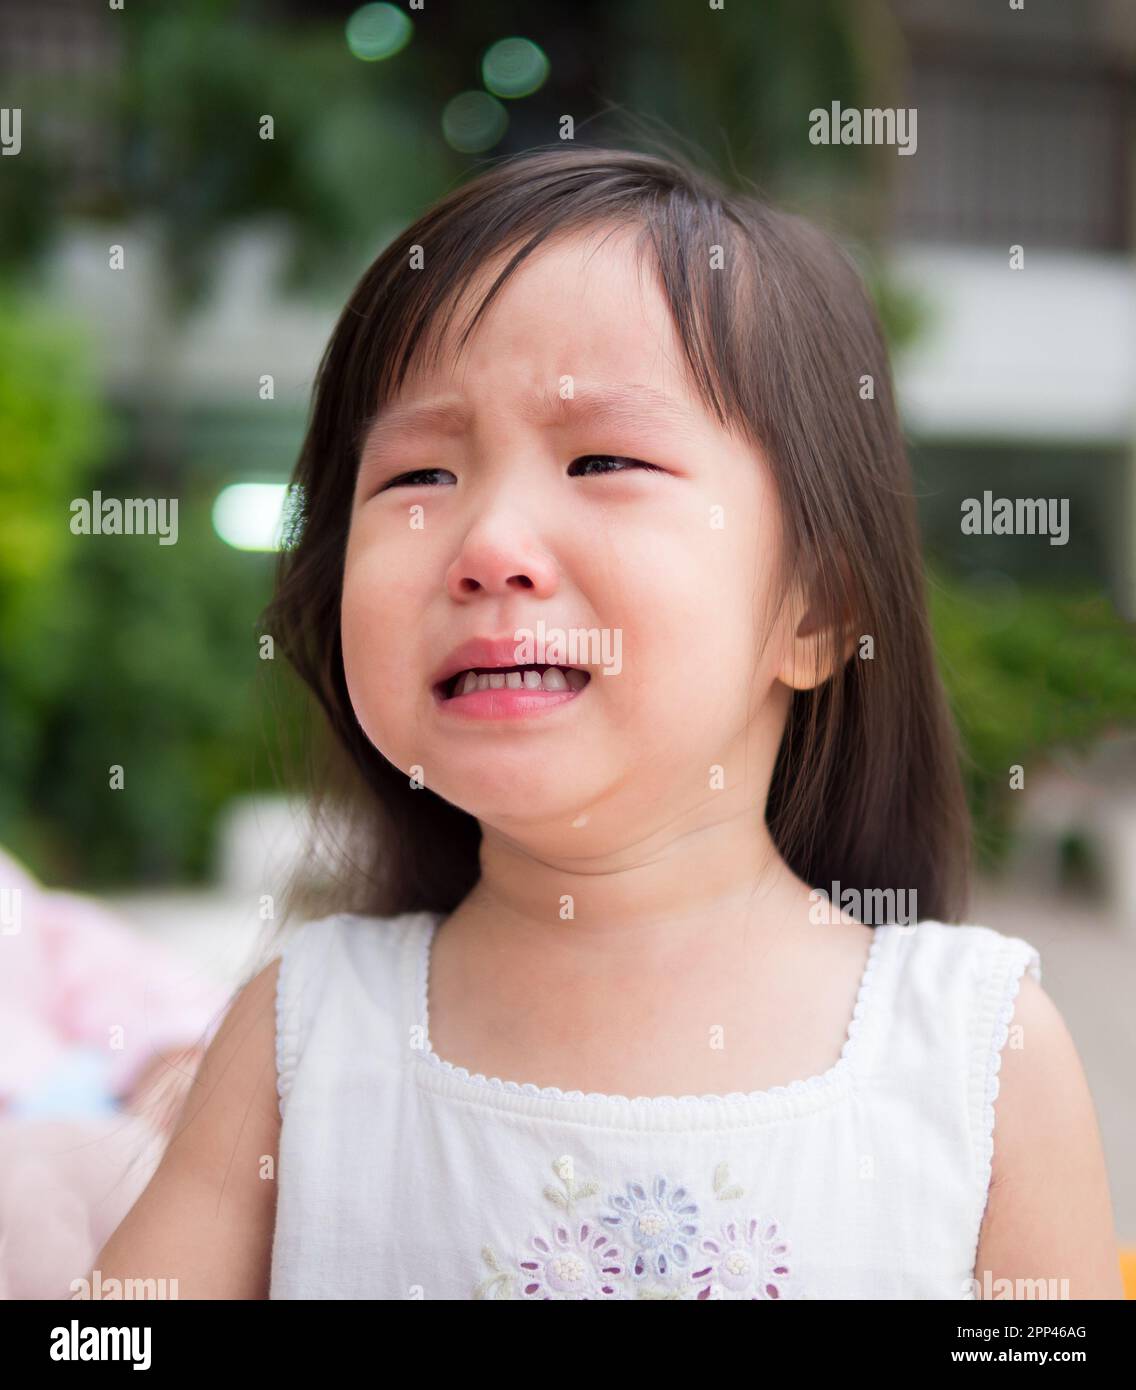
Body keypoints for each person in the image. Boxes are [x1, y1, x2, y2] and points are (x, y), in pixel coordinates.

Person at [91, 145, 1124, 1300]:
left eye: (601, 459)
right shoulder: (305, 1037)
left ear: (817, 610)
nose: (487, 548)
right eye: (417, 477)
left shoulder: (972, 1056)